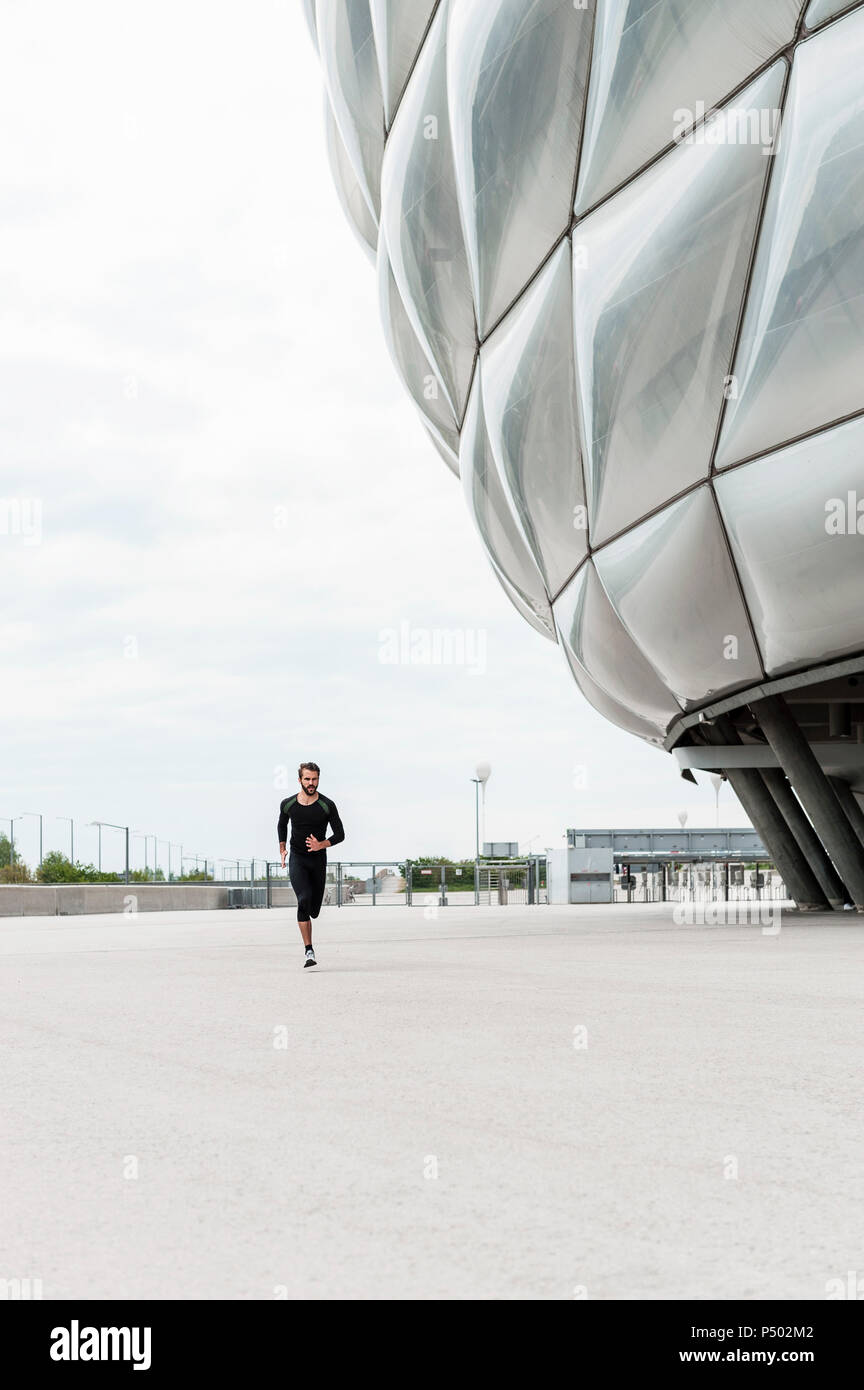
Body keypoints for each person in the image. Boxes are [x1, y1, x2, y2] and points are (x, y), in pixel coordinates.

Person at [278, 761, 345, 967]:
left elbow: (340, 834)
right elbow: (281, 825)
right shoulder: (288, 804)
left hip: (317, 860)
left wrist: (321, 845)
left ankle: (313, 908)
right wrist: (282, 850)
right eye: (307, 779)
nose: (311, 783)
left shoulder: (327, 805)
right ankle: (309, 950)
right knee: (303, 900)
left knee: (314, 910)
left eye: (314, 779)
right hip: (297, 858)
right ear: (300, 780)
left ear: (318, 779)